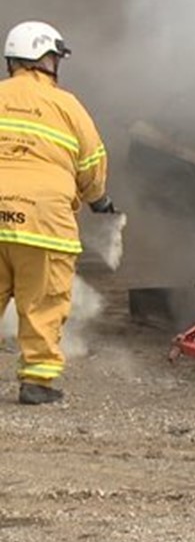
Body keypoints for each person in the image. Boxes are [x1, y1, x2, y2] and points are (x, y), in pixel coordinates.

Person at [0, 20, 114, 405]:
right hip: (44, 224)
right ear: (45, 59)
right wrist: (98, 200)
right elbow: (92, 164)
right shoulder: (67, 106)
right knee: (43, 302)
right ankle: (37, 382)